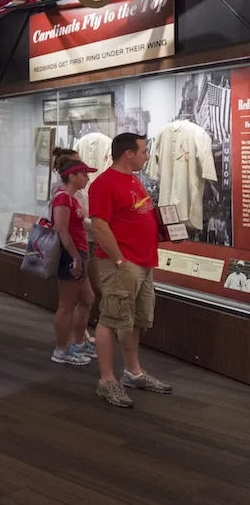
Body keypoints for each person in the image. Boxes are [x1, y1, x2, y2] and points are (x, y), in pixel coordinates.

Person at [89, 133, 172, 408]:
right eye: (144, 151)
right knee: (111, 318)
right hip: (123, 263)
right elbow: (99, 225)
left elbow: (138, 216)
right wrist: (120, 259)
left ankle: (133, 372)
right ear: (128, 153)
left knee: (133, 319)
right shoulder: (104, 183)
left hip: (143, 261)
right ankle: (106, 380)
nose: (146, 156)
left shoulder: (134, 180)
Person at [50, 158, 98, 366]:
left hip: (79, 253)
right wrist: (75, 257)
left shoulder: (72, 198)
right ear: (72, 176)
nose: (87, 178)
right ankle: (61, 349)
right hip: (71, 255)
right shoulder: (62, 198)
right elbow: (61, 229)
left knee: (87, 298)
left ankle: (78, 342)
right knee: (66, 305)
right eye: (84, 174)